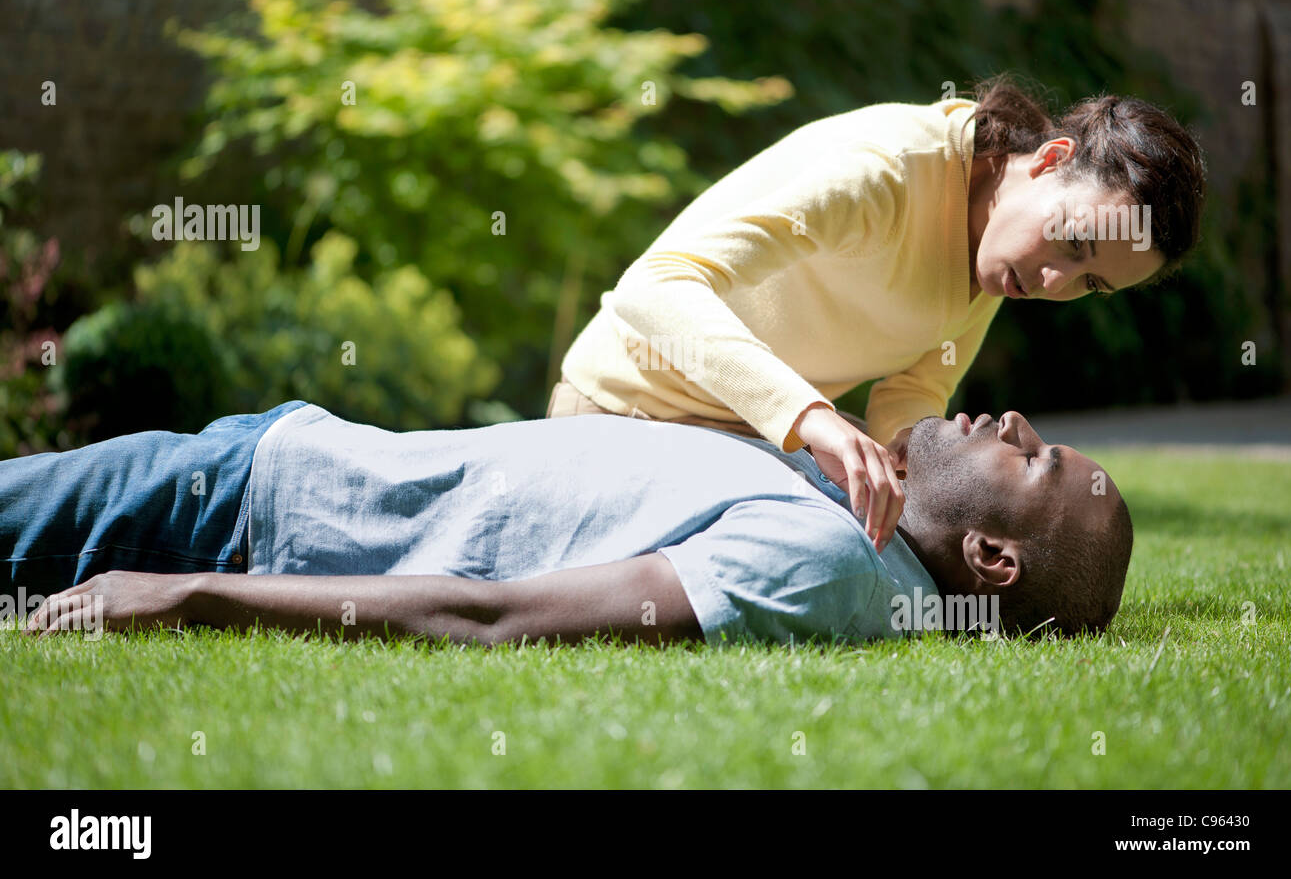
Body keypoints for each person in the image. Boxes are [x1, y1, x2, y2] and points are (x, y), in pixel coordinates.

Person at [547, 74, 1204, 555]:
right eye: (1071, 242)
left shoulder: (999, 250)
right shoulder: (887, 173)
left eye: (1089, 283)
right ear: (1052, 160)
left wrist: (915, 463)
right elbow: (652, 288)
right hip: (620, 415)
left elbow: (915, 386)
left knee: (872, 549)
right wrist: (815, 422)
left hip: (746, 438)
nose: (1053, 282)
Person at [7, 400, 1132, 645]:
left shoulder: (829, 561)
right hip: (268, 460)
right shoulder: (854, 518)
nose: (1018, 420)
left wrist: (182, 590)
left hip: (232, 518)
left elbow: (498, 618)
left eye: (1030, 458)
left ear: (991, 556)